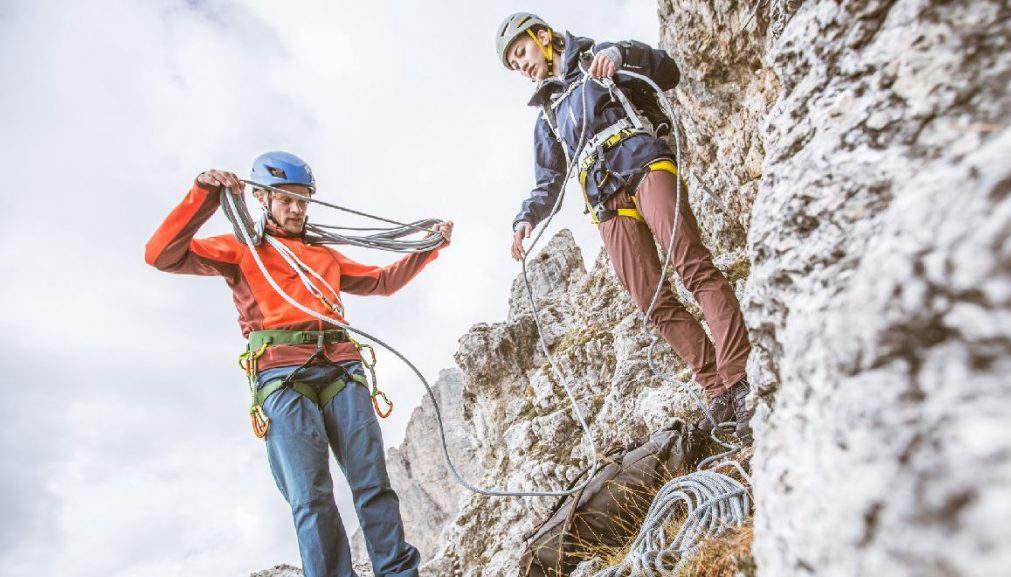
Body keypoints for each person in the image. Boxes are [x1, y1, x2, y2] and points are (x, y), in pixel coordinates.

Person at [145, 151, 451, 577]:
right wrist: (204, 196)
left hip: (342, 369)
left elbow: (382, 282)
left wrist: (427, 248)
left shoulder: (323, 255)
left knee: (373, 484)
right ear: (261, 199)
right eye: (285, 199)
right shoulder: (240, 250)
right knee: (311, 496)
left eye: (302, 200)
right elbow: (161, 255)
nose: (295, 208)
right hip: (281, 375)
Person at [496, 13, 754, 440]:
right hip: (604, 201)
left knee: (692, 265)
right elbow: (549, 181)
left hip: (643, 161)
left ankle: (740, 378)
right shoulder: (547, 116)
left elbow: (666, 71)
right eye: (513, 64)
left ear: (543, 38)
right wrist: (525, 218)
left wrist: (621, 55)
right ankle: (718, 389)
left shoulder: (599, 57)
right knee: (651, 300)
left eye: (520, 53)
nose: (520, 65)